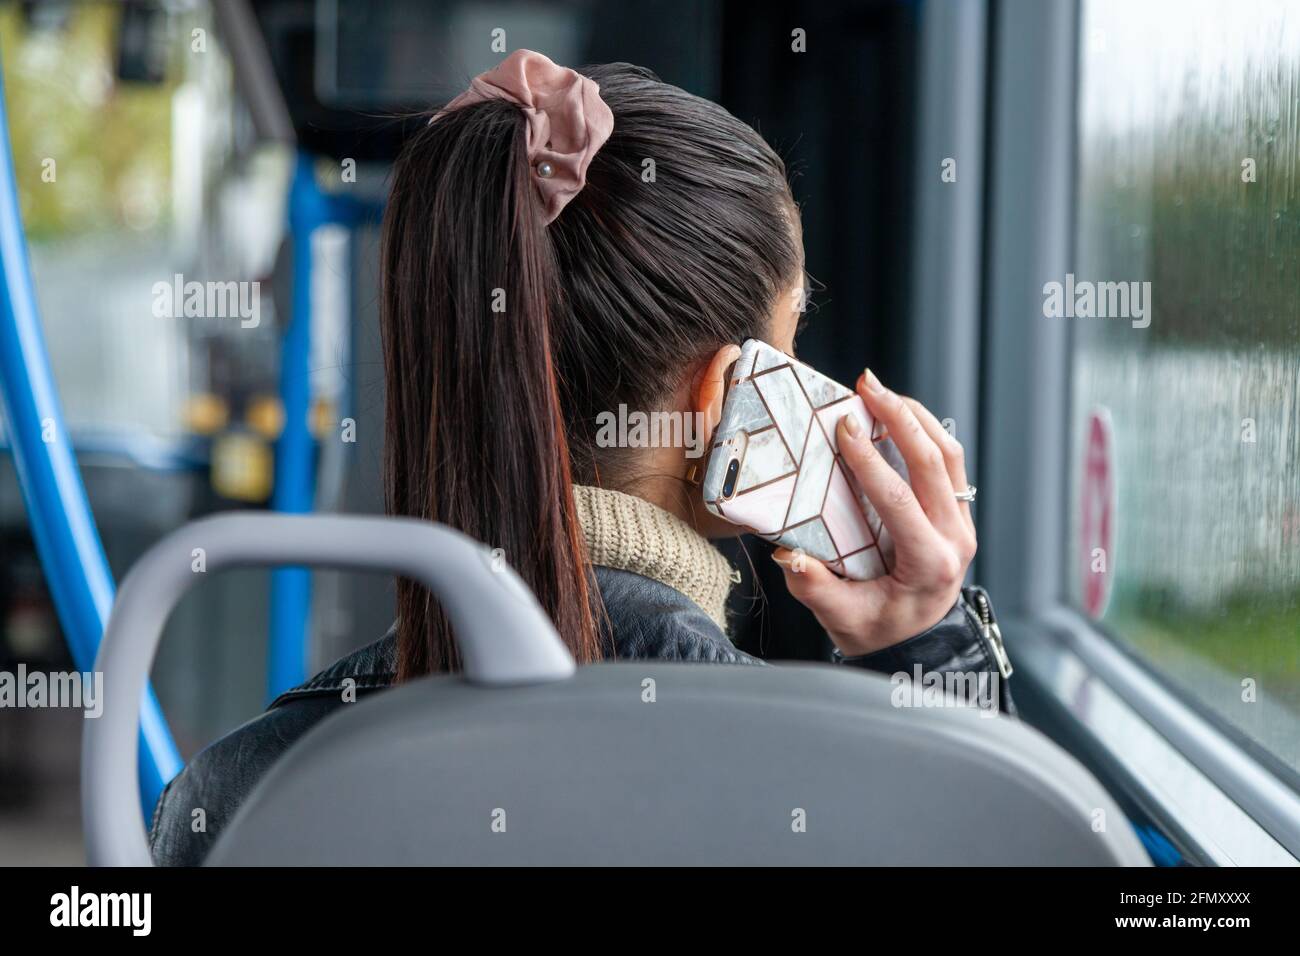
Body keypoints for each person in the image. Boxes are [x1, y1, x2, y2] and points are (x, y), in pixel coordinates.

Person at [150, 50, 1012, 865]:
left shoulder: (234, 792)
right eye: (792, 347)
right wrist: (931, 657)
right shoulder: (814, 789)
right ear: (725, 402)